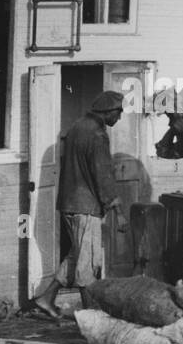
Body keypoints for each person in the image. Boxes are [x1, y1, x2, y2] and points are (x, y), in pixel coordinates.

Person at [33, 91, 125, 317]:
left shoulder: (77, 127)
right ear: (108, 111)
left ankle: (46, 298)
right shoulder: (97, 134)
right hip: (86, 207)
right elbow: (103, 176)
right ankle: (91, 315)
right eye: (119, 112)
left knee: (76, 256)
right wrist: (118, 210)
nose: (120, 117)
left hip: (70, 204)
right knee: (88, 263)